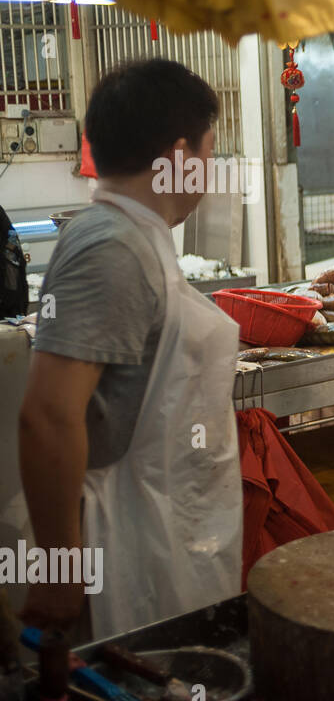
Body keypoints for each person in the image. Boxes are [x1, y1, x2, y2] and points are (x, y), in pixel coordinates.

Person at [17, 59, 242, 639]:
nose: (209, 170)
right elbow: (47, 416)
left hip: (155, 527)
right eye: (207, 153)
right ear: (177, 158)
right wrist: (61, 570)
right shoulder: (110, 247)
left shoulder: (137, 236)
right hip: (115, 546)